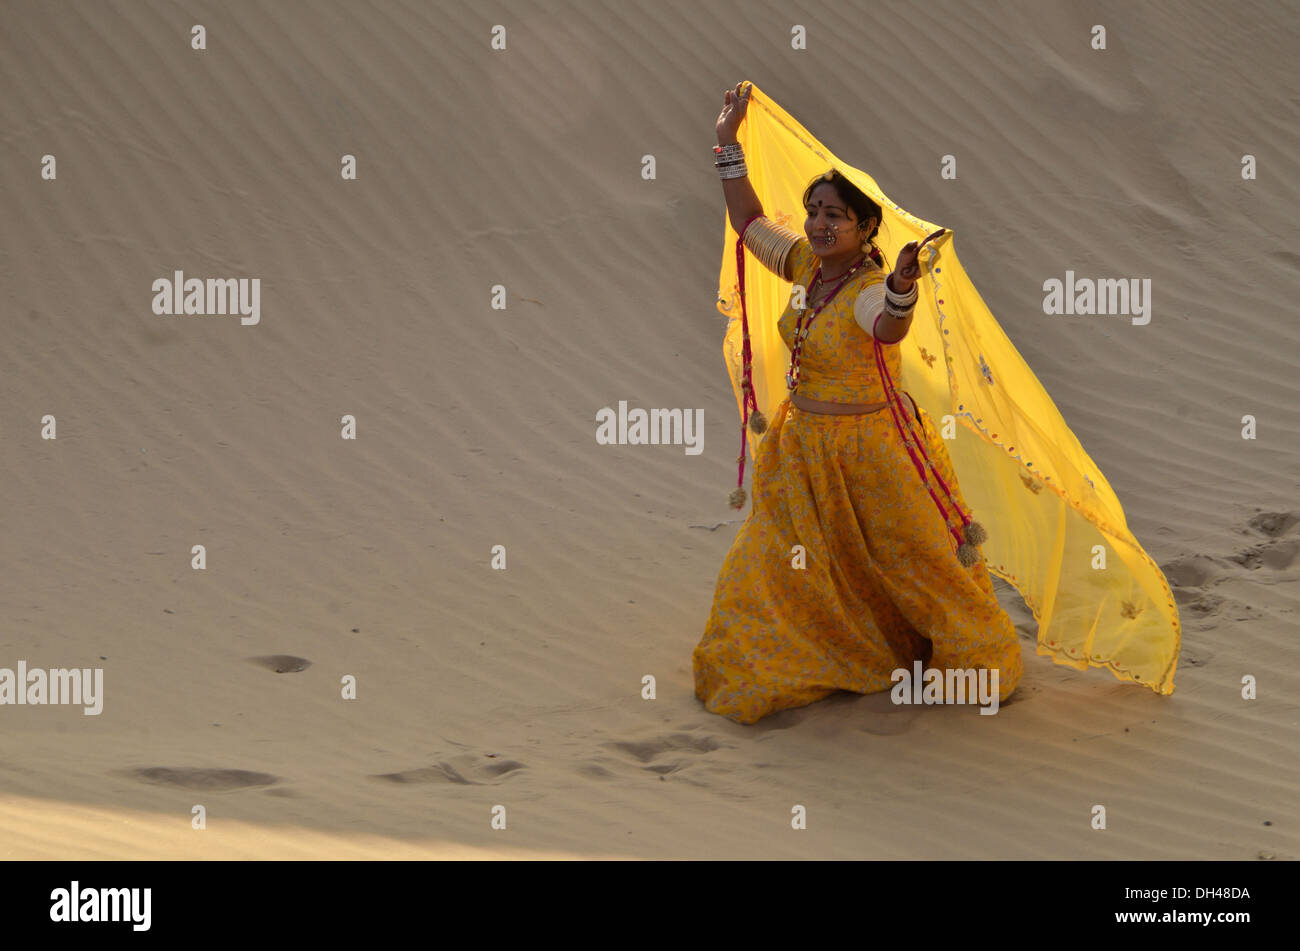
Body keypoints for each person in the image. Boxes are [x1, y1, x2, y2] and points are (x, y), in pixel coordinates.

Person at [693, 82, 1024, 724]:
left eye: (834, 215)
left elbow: (887, 327)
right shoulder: (807, 269)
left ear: (865, 226)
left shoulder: (870, 288)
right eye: (814, 210)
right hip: (802, 452)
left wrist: (903, 287)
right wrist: (727, 145)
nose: (818, 223)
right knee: (780, 563)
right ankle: (828, 650)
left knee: (915, 562)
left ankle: (970, 660)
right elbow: (750, 224)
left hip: (874, 453)